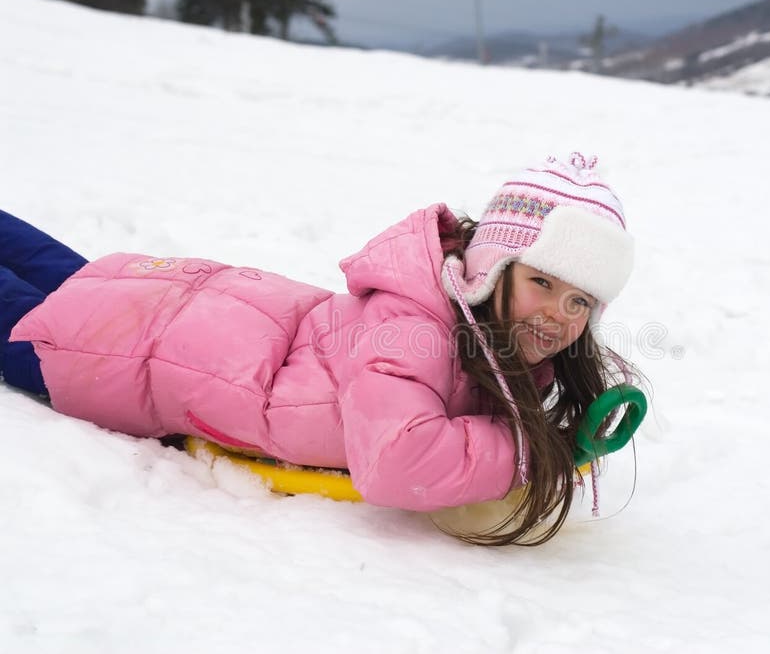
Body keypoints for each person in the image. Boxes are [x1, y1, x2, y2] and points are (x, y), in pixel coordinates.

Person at [2, 152, 639, 545]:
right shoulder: (410, 326)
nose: (559, 314)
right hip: (106, 351)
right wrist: (535, 451)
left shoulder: (481, 331)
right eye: (542, 283)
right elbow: (398, 460)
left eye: (580, 302)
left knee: (51, 267)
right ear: (493, 266)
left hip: (171, 302)